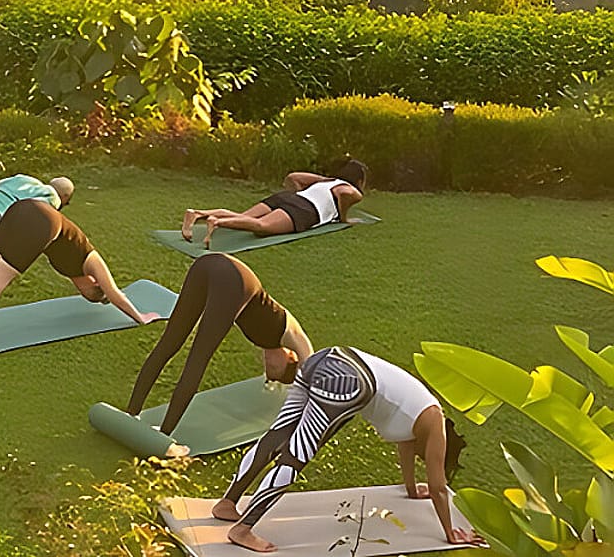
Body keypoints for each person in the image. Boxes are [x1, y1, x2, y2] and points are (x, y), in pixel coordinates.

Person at [211, 346, 483, 553]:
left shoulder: (419, 417)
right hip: (347, 379)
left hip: (328, 358)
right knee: (297, 453)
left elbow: (406, 449)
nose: (426, 458)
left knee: (277, 435)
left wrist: (411, 489)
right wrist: (451, 532)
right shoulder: (435, 424)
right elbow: (438, 486)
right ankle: (243, 529)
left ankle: (227, 503)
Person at [125, 253, 313, 448]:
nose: (268, 370)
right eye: (276, 372)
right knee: (182, 350)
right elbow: (312, 367)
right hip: (232, 280)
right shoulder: (291, 333)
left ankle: (138, 417)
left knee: (186, 351)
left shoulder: (267, 342)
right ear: (291, 358)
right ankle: (148, 422)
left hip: (209, 266)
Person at [0, 198, 162, 347]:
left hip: (22, 209)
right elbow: (114, 292)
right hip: (40, 220)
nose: (80, 289)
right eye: (88, 292)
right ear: (94, 283)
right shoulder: (91, 261)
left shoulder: (72, 272)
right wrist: (139, 317)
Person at [182, 158, 368, 246]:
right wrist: (343, 219)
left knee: (242, 218)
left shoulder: (326, 181)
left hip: (288, 198)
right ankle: (217, 221)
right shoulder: (353, 191)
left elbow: (293, 177)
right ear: (359, 180)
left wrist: (299, 194)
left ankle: (198, 213)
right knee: (260, 227)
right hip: (306, 209)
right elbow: (343, 193)